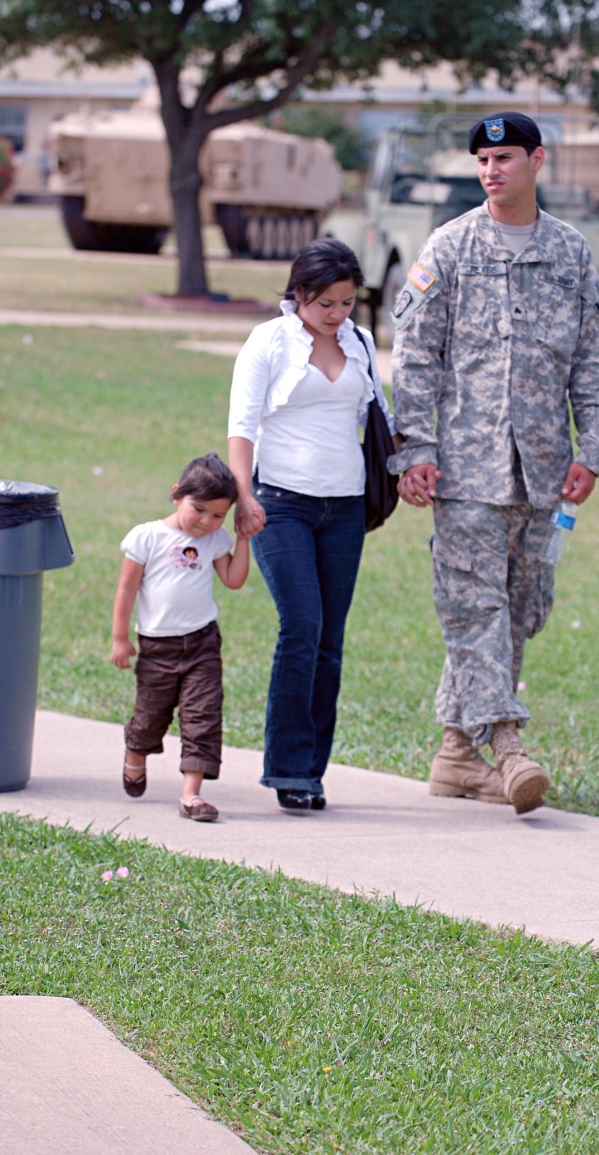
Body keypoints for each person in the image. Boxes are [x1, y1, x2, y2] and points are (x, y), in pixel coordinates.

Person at [388, 111, 599, 815]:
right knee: (473, 609)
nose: (491, 170)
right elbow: (415, 357)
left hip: (543, 468)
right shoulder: (450, 247)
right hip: (462, 469)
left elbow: (592, 357)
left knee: (519, 611)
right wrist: (414, 452)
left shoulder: (570, 252)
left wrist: (594, 449)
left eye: (504, 157)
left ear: (536, 161)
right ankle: (508, 744)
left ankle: (456, 754)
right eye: (482, 160)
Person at [228, 238, 397, 813]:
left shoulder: (361, 341)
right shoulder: (268, 341)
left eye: (347, 303)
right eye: (326, 303)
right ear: (298, 294)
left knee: (330, 642)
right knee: (301, 627)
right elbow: (242, 426)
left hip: (344, 506)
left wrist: (414, 466)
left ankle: (312, 772)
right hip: (280, 504)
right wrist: (244, 497)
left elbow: (378, 420)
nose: (337, 314)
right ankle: (287, 769)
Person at [110, 452, 251, 822]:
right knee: (150, 717)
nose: (206, 522)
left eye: (218, 515)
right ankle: (136, 752)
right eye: (199, 509)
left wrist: (243, 538)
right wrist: (120, 638)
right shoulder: (147, 537)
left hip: (202, 643)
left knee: (203, 716)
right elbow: (126, 590)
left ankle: (191, 795)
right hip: (157, 645)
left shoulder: (216, 539)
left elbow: (233, 580)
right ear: (177, 495)